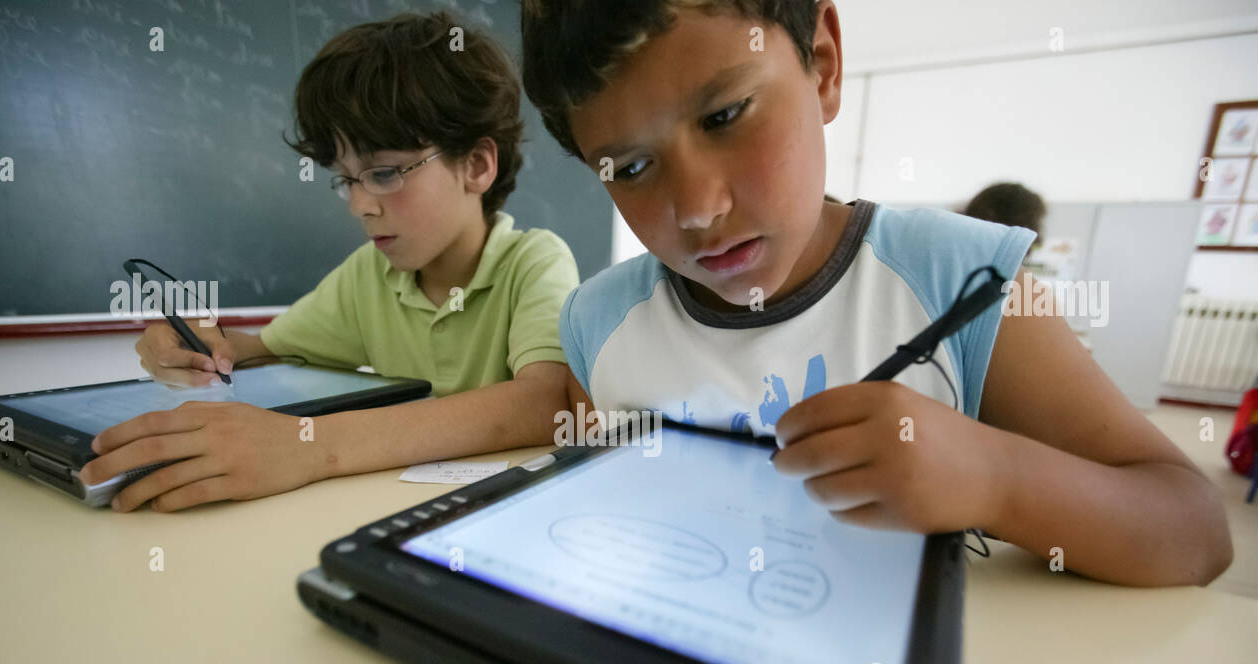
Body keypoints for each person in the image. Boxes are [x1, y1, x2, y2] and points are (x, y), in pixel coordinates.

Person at [520, 0, 1231, 586]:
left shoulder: (957, 278)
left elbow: (1195, 528)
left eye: (725, 116)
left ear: (822, 64)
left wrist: (994, 477)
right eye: (632, 165)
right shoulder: (597, 320)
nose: (698, 208)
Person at [82, 12, 578, 512]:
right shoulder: (372, 274)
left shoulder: (533, 261)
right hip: (391, 511)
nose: (360, 205)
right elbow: (270, 351)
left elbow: (545, 402)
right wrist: (197, 346)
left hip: (504, 516)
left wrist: (309, 446)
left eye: (383, 173)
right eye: (346, 179)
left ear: (476, 164)